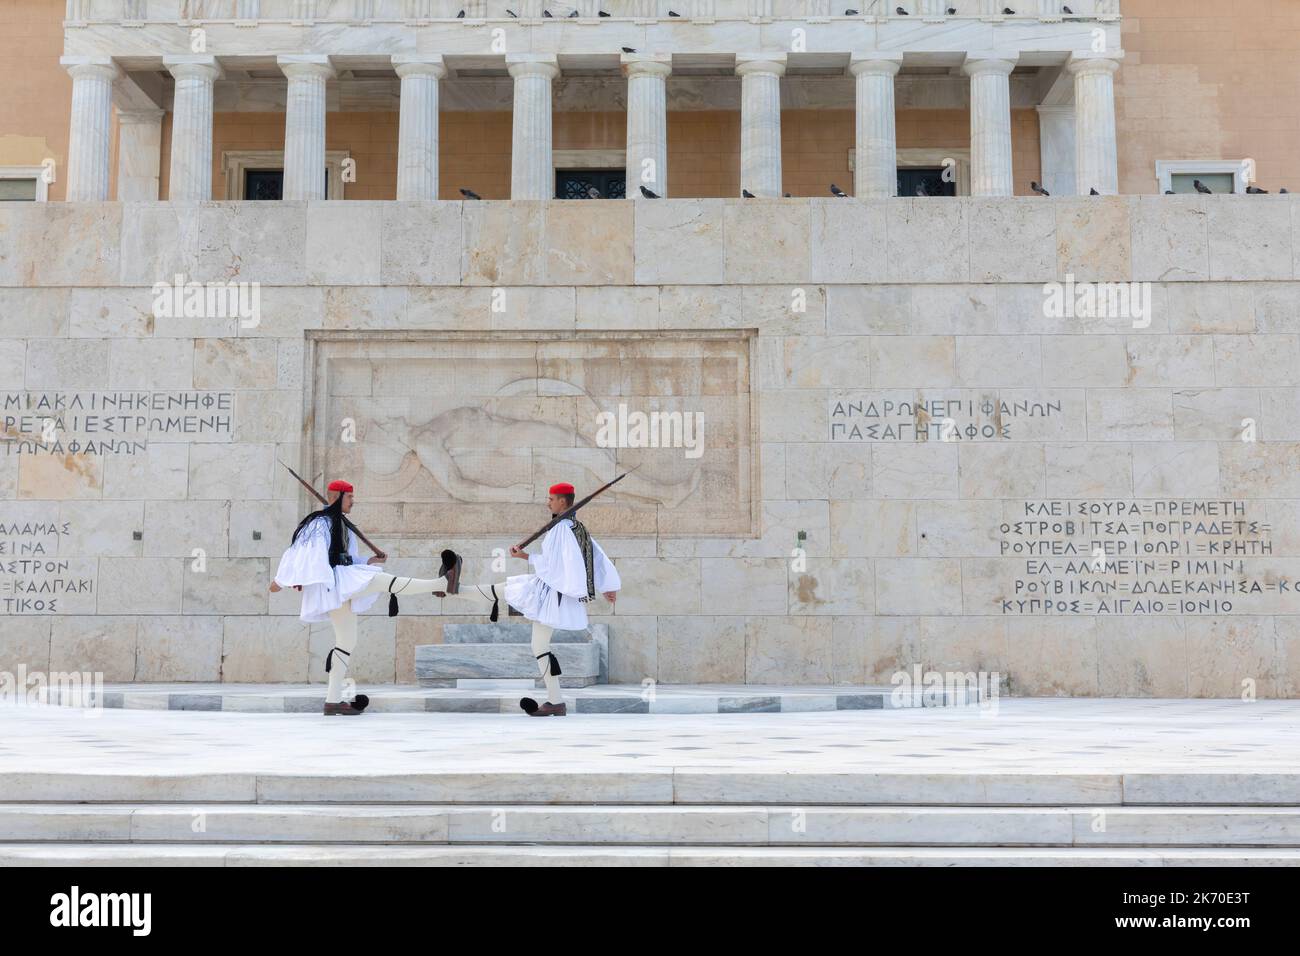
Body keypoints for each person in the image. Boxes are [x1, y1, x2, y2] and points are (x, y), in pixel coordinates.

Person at [270, 479, 461, 716]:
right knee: (382, 581)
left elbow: (346, 557)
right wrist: (283, 580)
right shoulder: (319, 524)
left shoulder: (341, 524)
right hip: (335, 582)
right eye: (349, 497)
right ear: (337, 496)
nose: (353, 501)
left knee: (346, 641)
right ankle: (441, 583)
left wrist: (368, 561)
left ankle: (332, 701)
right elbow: (303, 556)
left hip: (342, 580)